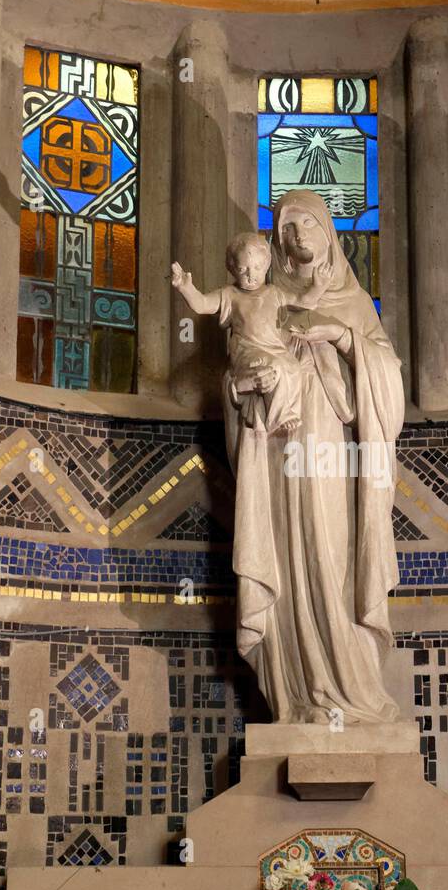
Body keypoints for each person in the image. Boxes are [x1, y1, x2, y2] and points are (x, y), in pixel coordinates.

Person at [223, 190, 404, 725]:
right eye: (286, 227)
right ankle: (298, 696)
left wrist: (344, 337)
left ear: (328, 230)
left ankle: (352, 693)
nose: (296, 233)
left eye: (307, 222)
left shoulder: (353, 301)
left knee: (334, 557)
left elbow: (388, 386)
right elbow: (238, 368)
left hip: (337, 461)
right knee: (289, 559)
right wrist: (240, 389)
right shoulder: (264, 300)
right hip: (278, 455)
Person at [171, 232, 328, 435]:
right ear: (232, 268)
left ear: (266, 266)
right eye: (243, 269)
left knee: (292, 368)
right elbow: (201, 305)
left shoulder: (274, 293)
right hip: (248, 350)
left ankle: (288, 411)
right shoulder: (230, 294)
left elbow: (304, 301)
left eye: (257, 268)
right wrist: (186, 288)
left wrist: (318, 286)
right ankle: (279, 417)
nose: (250, 275)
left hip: (275, 348)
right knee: (272, 368)